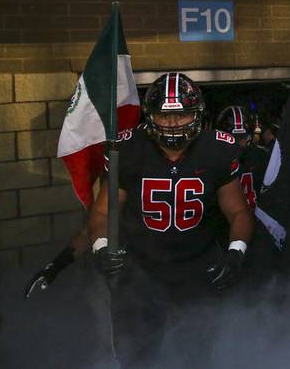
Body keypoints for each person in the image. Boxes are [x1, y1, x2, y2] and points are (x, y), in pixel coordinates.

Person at [87, 72, 253, 367]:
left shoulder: (217, 148)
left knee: (197, 356)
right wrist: (101, 245)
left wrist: (235, 253)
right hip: (141, 274)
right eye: (164, 116)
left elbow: (238, 211)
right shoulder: (128, 149)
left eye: (182, 115)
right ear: (150, 117)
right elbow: (103, 211)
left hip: (197, 271)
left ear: (198, 115)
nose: (173, 124)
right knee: (136, 357)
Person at [215, 105, 286, 282]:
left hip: (259, 232)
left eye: (242, 138)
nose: (239, 143)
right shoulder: (213, 160)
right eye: (233, 138)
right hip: (225, 232)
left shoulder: (262, 157)